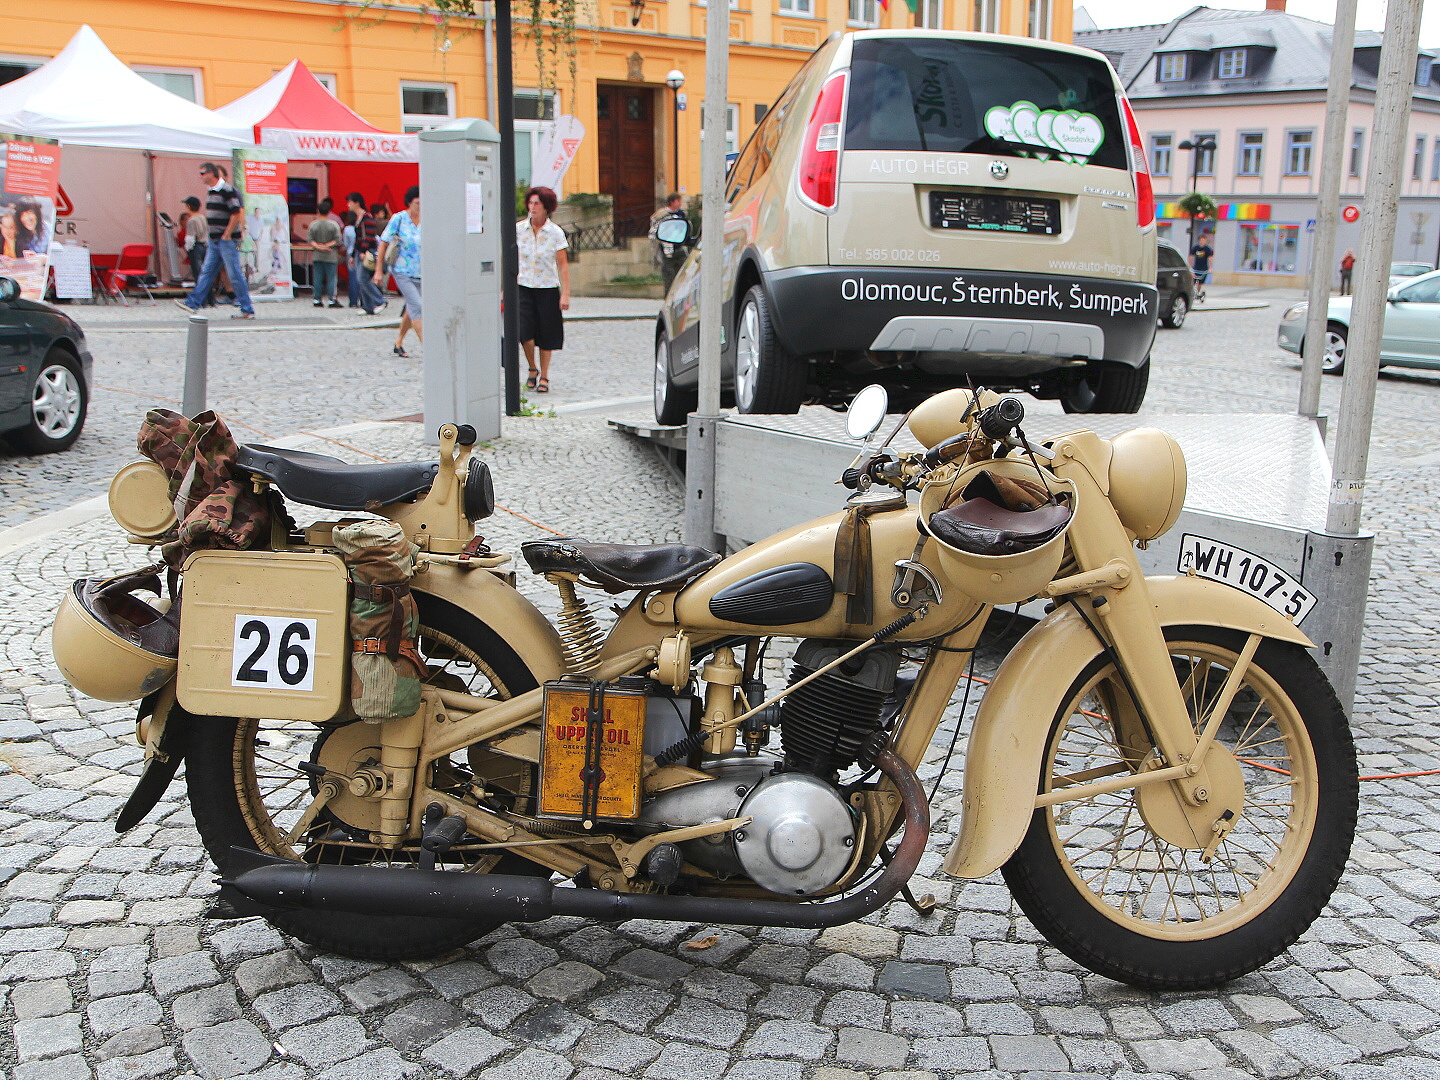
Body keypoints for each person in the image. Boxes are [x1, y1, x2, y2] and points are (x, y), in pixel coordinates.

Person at [175, 162, 255, 320]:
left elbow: (236, 213)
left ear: (212, 173)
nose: (201, 176)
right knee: (207, 271)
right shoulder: (212, 191)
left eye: (203, 173)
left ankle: (247, 308)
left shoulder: (227, 190)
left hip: (225, 240)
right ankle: (193, 302)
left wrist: (227, 233)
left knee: (234, 274)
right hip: (215, 240)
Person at [516, 186, 570, 394]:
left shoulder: (555, 233)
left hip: (547, 287)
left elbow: (563, 264)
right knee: (524, 331)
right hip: (524, 285)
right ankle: (532, 367)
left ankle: (544, 375)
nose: (533, 207)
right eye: (530, 203)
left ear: (546, 207)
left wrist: (565, 293)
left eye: (537, 203)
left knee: (547, 333)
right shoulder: (519, 229)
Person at [374, 185, 422, 351]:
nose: (420, 206)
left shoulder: (428, 219)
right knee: (418, 306)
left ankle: (399, 342)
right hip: (403, 271)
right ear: (409, 202)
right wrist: (379, 269)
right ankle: (429, 348)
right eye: (417, 202)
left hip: (423, 272)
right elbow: (383, 243)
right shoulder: (399, 218)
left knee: (412, 307)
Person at [346, 192, 386, 316]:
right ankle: (368, 306)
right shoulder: (359, 219)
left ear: (356, 202)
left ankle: (379, 300)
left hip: (366, 252)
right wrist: (353, 255)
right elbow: (357, 240)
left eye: (350, 202)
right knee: (362, 278)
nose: (348, 205)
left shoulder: (367, 218)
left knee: (362, 278)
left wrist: (363, 251)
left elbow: (368, 237)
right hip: (359, 252)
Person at [649, 192, 689, 292]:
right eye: (678, 201)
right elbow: (654, 231)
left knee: (683, 273)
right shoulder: (661, 214)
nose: (680, 203)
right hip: (667, 249)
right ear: (672, 202)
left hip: (679, 247)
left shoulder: (681, 214)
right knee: (669, 276)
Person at [307, 208, 343, 308]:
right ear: (328, 212)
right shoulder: (334, 224)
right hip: (330, 256)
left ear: (318, 211)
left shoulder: (313, 224)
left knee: (317, 278)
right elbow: (338, 240)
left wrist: (319, 247)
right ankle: (332, 299)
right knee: (331, 278)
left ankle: (317, 299)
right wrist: (327, 246)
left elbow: (310, 240)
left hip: (317, 255)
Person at [341, 211, 359, 307]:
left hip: (350, 253)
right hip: (359, 253)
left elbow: (346, 244)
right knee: (360, 277)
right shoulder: (359, 228)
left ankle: (353, 301)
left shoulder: (347, 229)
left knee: (352, 278)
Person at [1190, 232, 1213, 303]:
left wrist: (1210, 267)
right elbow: (1191, 257)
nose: (1202, 241)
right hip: (1196, 267)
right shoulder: (1195, 248)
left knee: (1200, 282)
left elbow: (1210, 258)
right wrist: (1190, 266)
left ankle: (1198, 293)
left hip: (1203, 268)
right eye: (1201, 240)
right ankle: (1192, 293)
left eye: (1204, 240)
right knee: (1193, 281)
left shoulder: (1207, 249)